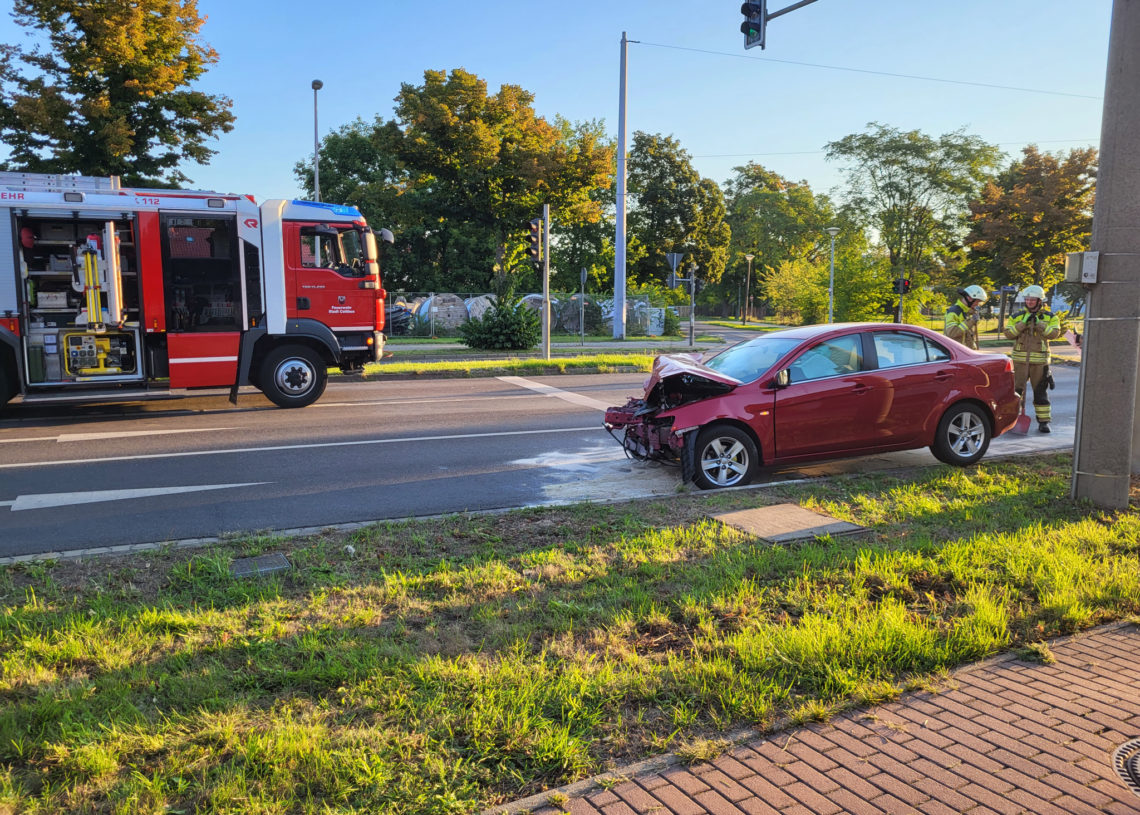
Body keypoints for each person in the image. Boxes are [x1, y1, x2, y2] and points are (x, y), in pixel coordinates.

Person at [1005, 284, 1061, 433]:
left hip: (1040, 363)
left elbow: (1054, 334)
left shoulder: (1050, 317)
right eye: (1027, 299)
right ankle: (1013, 420)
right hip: (1019, 362)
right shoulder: (1016, 316)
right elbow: (1009, 334)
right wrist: (1023, 324)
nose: (1029, 301)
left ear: (1039, 301)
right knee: (1016, 392)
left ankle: (1044, 422)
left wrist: (1040, 324)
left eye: (1032, 299)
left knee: (1040, 392)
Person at [944, 285, 988, 350]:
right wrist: (971, 321)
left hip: (965, 353)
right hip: (956, 353)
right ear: (970, 298)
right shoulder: (954, 311)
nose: (978, 305)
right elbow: (951, 333)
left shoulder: (968, 312)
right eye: (977, 301)